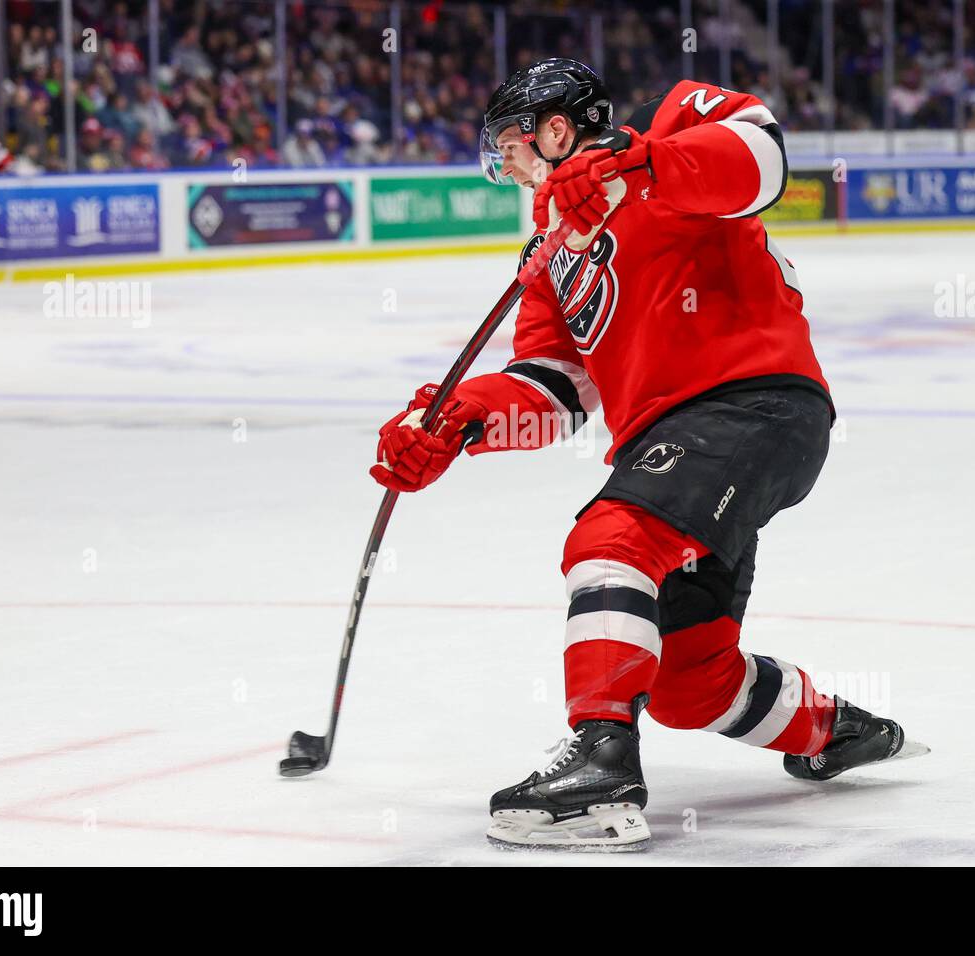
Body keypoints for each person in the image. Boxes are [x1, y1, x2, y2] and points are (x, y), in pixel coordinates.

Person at [370, 58, 925, 850]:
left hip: (754, 401)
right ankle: (836, 731)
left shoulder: (668, 120)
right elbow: (557, 392)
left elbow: (763, 161)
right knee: (689, 682)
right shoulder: (548, 252)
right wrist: (459, 422)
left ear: (555, 129)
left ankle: (601, 765)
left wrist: (639, 164)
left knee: (611, 540)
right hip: (681, 441)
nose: (510, 173)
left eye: (513, 150)